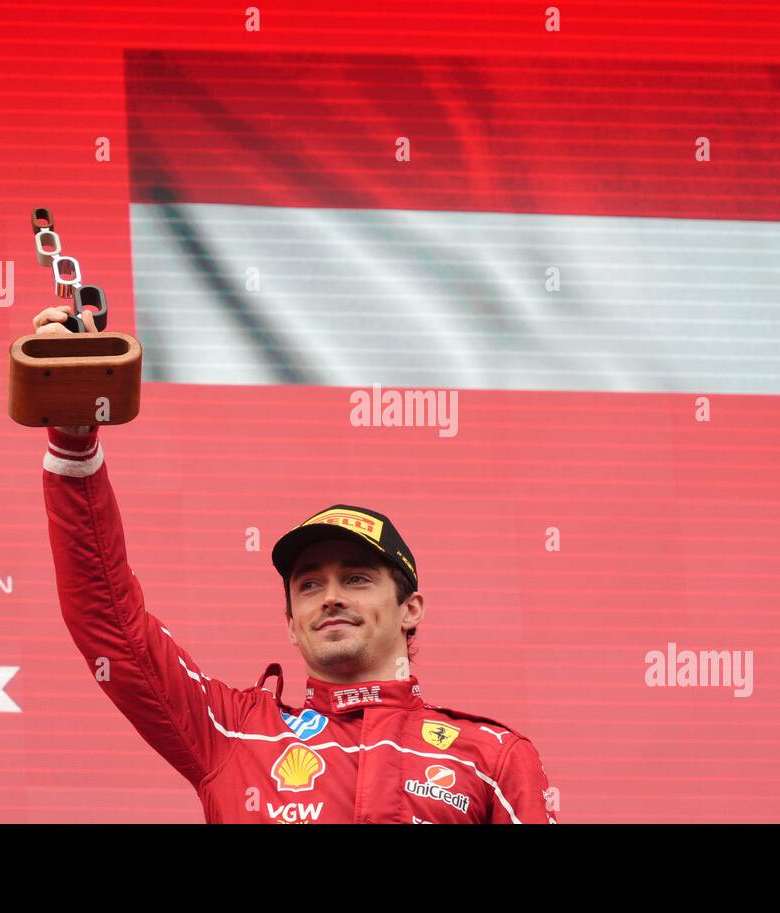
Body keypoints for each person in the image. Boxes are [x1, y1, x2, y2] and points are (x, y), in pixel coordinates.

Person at [34, 303, 557, 824]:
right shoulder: (232, 733)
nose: (330, 596)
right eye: (309, 585)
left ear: (411, 608)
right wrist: (74, 443)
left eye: (356, 578)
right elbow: (112, 628)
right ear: (290, 623)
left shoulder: (491, 756)